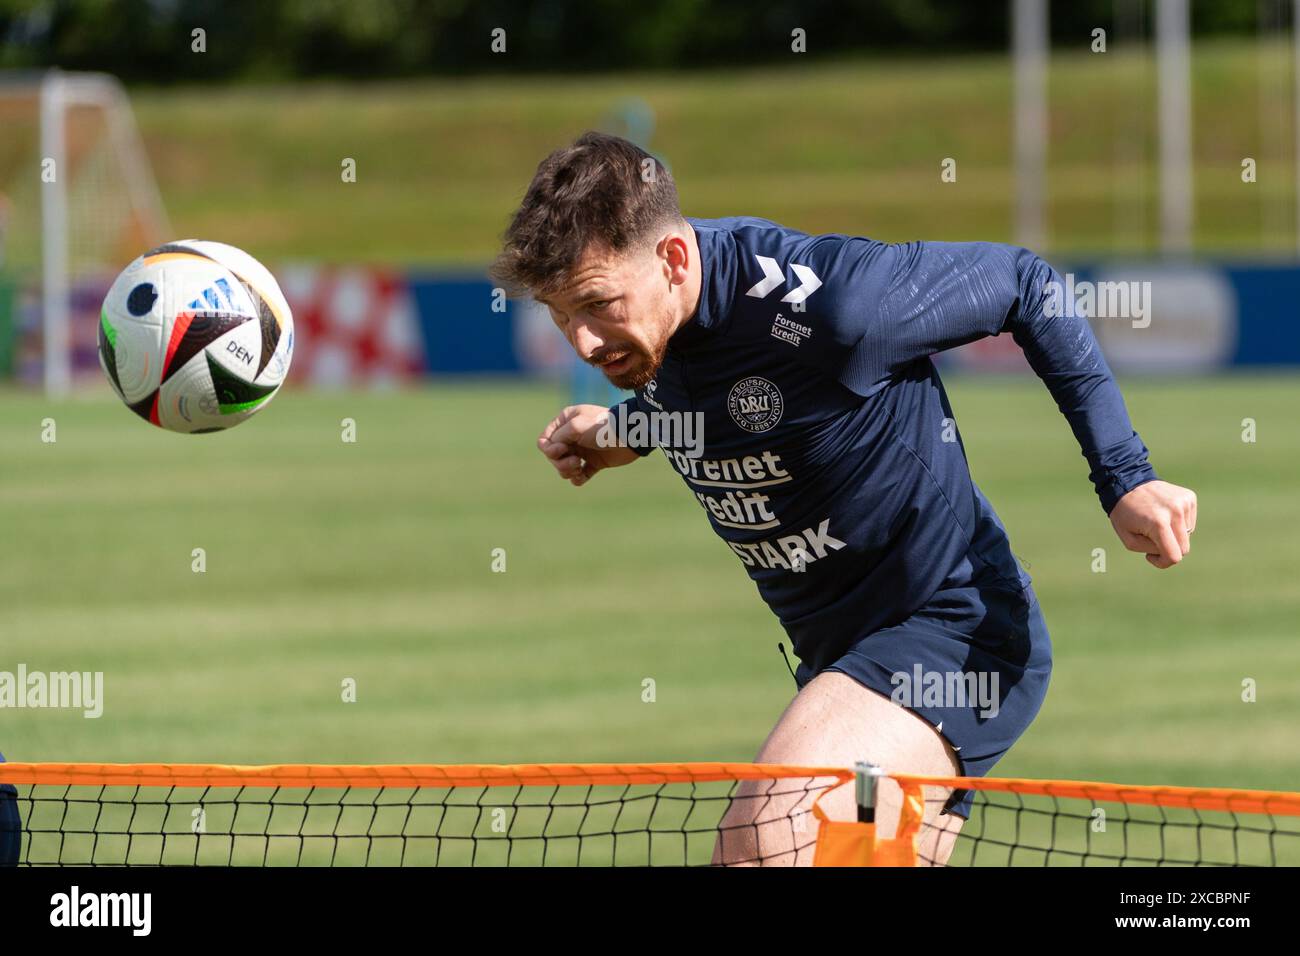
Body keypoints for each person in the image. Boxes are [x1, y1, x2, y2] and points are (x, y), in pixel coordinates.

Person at [489, 132, 1197, 865]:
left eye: (597, 305)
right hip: (843, 663)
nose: (580, 342)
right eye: (557, 313)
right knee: (840, 857)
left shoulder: (836, 304)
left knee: (769, 835)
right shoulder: (658, 331)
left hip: (953, 637)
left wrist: (1126, 478)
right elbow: (729, 403)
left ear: (671, 260)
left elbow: (1029, 283)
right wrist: (618, 432)